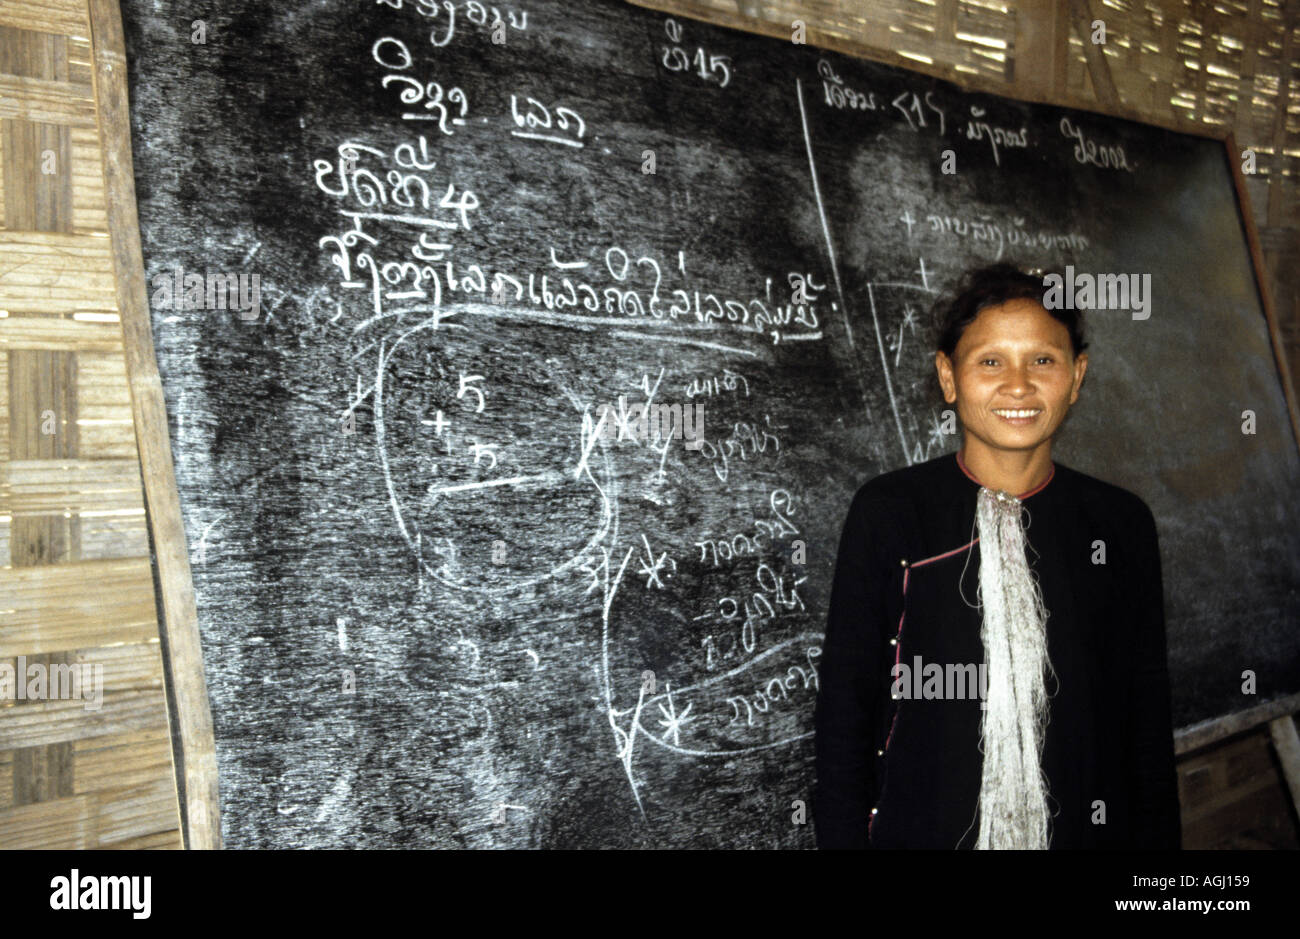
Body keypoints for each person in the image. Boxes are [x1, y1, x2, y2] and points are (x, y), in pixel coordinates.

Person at [813, 262, 1181, 849]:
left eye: (1043, 360)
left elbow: (1145, 723)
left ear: (1077, 376)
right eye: (990, 361)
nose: (1018, 384)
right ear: (948, 376)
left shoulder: (1118, 523)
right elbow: (844, 719)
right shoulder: (890, 512)